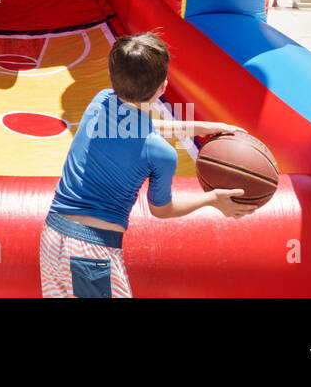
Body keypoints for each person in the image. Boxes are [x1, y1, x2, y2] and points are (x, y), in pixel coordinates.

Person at [39, 33, 256, 297]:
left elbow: (141, 128)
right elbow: (162, 210)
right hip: (91, 251)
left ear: (112, 76)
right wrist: (211, 199)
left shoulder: (101, 102)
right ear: (163, 87)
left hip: (52, 236)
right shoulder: (161, 154)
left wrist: (202, 127)